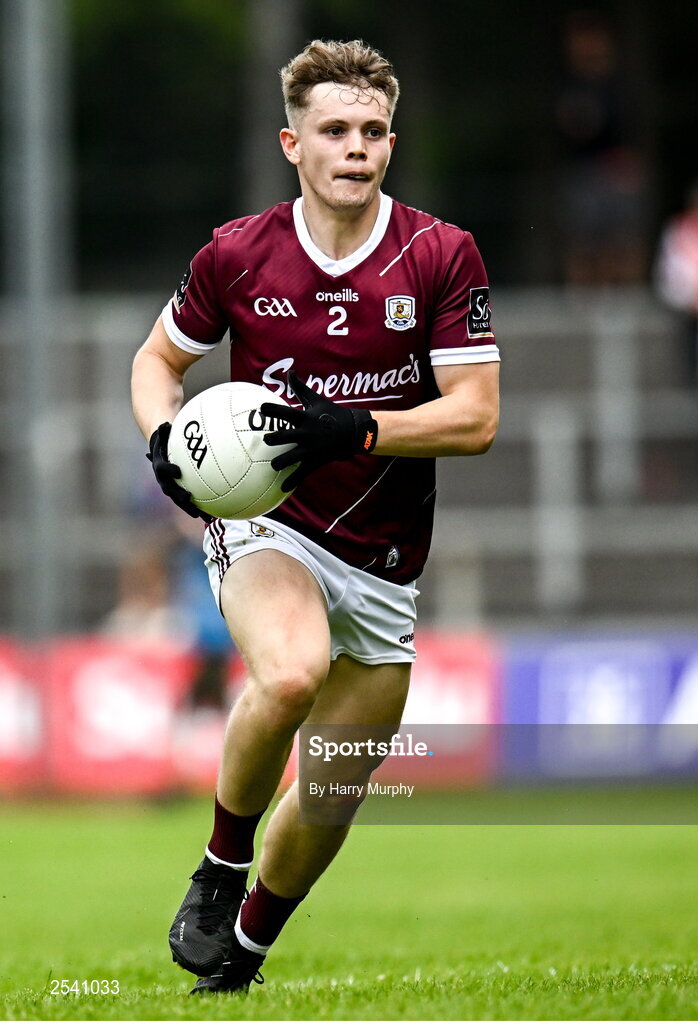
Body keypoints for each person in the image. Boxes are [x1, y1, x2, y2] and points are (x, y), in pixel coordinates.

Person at [131, 38, 500, 996]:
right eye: (334, 130)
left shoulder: (439, 253)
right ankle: (220, 867)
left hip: (384, 560)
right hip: (271, 525)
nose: (356, 147)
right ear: (292, 144)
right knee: (290, 672)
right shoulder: (237, 252)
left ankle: (240, 955)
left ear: (391, 143)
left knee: (331, 792)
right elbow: (157, 362)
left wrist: (359, 429)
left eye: (373, 130)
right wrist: (165, 440)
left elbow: (476, 418)